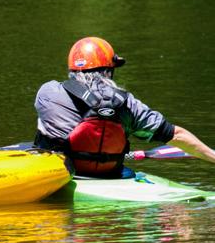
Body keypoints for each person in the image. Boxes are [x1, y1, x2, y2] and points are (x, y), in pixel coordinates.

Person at [34, 36, 215, 178]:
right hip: (109, 175)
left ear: (72, 69)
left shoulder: (49, 91)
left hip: (61, 175)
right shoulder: (127, 103)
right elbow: (176, 135)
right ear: (108, 71)